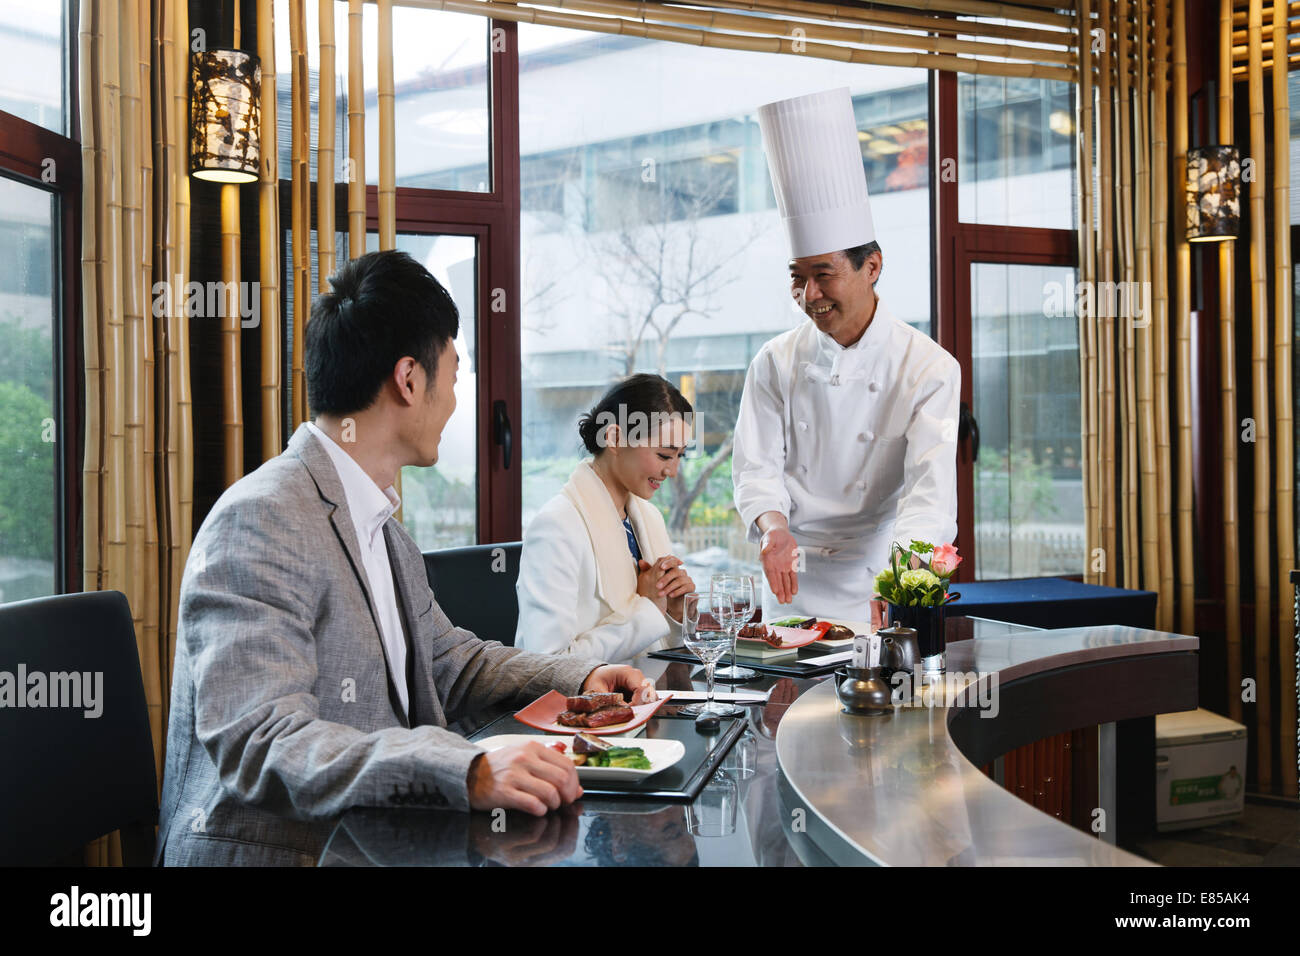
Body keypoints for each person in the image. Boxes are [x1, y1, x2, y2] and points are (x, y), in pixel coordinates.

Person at [155, 250, 653, 866]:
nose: (454, 401)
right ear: (410, 379)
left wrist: (577, 681)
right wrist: (462, 766)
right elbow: (262, 739)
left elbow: (451, 661)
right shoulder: (262, 518)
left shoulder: (380, 524)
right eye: (455, 373)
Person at [733, 87, 959, 623]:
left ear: (872, 267)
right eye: (798, 278)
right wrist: (774, 530)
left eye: (823, 276)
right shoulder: (774, 360)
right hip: (790, 579)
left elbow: (928, 493)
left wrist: (907, 579)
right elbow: (755, 467)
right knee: (785, 704)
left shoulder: (928, 368)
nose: (809, 296)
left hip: (876, 577)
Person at [515, 374, 695, 666]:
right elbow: (547, 665)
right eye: (664, 455)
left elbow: (657, 651)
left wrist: (673, 613)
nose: (672, 471)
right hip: (578, 708)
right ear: (614, 438)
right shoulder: (556, 527)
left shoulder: (649, 519)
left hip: (646, 698)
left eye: (680, 456)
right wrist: (648, 609)